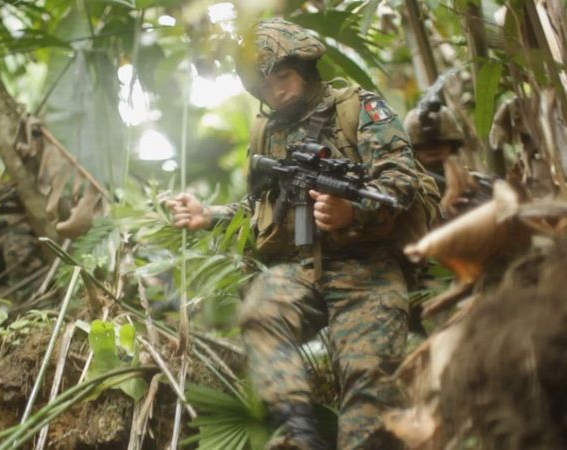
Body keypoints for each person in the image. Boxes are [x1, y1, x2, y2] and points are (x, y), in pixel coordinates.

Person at [166, 18, 437, 450]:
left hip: (368, 268)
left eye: (284, 76)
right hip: (302, 268)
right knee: (260, 312)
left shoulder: (358, 109)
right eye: (265, 84)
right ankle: (300, 432)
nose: (276, 90)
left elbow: (399, 181)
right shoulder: (268, 131)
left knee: (369, 376)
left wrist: (352, 210)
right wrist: (208, 214)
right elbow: (260, 206)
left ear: (306, 67)